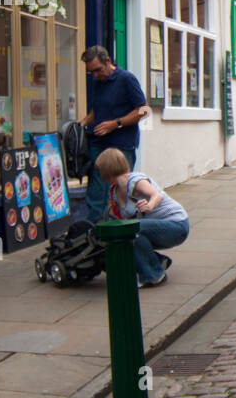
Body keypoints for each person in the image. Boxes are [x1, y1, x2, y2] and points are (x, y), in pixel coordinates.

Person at [96, 147, 189, 287]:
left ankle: (154, 275)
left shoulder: (135, 180)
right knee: (125, 233)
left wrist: (149, 206)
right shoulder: (114, 191)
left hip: (177, 225)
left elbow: (157, 195)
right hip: (157, 228)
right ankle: (157, 261)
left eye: (100, 169)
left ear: (107, 168)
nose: (99, 173)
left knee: (132, 229)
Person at [79, 46, 148, 222]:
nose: (95, 75)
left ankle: (124, 227)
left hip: (121, 144)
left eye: (98, 70)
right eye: (91, 72)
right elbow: (97, 109)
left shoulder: (126, 79)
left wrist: (116, 123)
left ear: (108, 61)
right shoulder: (97, 82)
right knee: (96, 190)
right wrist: (84, 122)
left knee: (122, 188)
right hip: (99, 143)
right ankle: (95, 228)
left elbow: (144, 110)